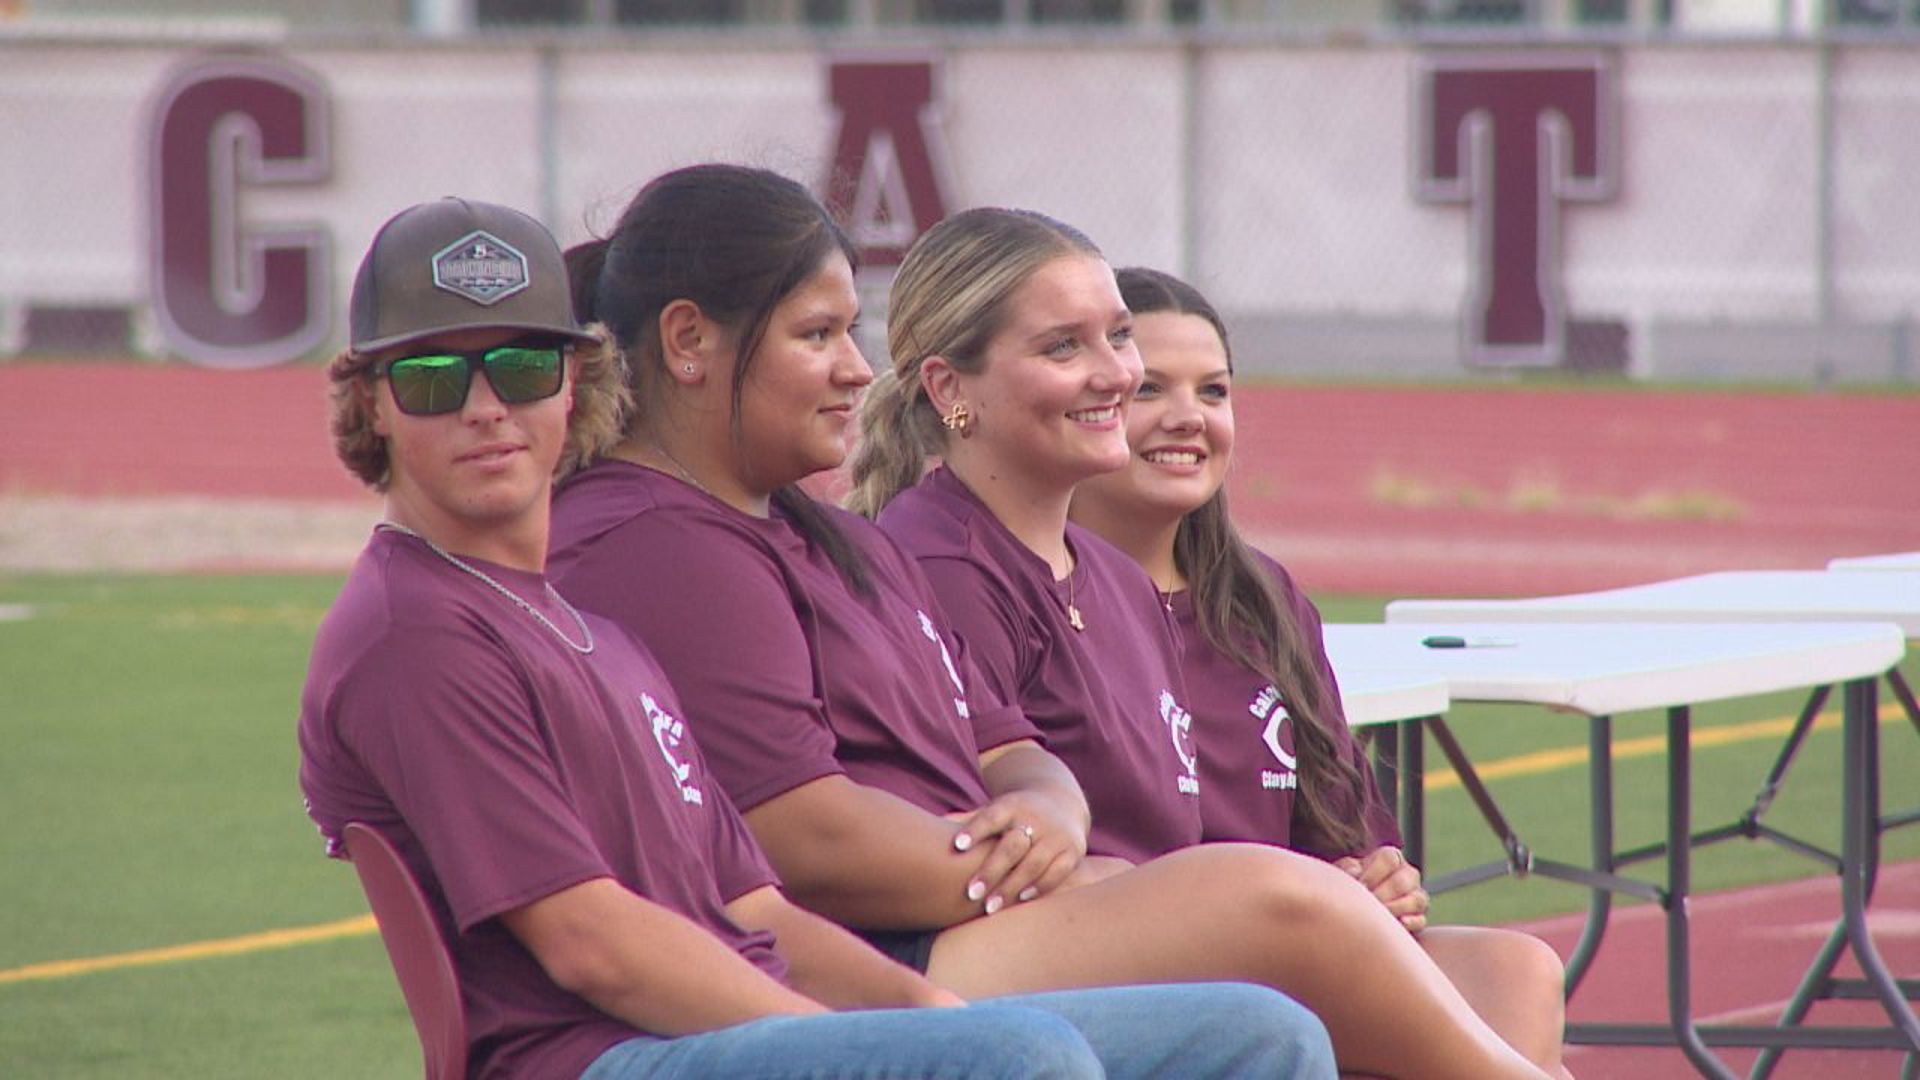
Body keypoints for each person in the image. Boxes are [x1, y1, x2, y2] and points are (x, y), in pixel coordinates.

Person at [297, 196, 1337, 1080]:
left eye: (521, 369)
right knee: (1020, 1062)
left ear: (576, 384)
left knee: (1260, 1032)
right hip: (601, 1052)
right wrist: (860, 1039)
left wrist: (921, 1018)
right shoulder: (419, 631)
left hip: (740, 1006)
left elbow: (751, 901)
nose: (487, 409)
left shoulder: (582, 625)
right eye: (434, 378)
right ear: (371, 406)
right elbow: (593, 946)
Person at [550, 164, 1549, 1080]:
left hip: (970, 906)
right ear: (688, 344)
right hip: (875, 939)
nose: (860, 369)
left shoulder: (822, 533)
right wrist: (1038, 869)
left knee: (1462, 974)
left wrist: (1052, 822)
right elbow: (799, 838)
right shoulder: (665, 543)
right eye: (819, 336)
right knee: (1284, 911)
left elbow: (1014, 754)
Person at [1067, 266, 1572, 1076]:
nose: (1188, 418)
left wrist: (1379, 878)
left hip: (1297, 960)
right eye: (1149, 390)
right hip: (1134, 967)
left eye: (1215, 391)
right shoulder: (1038, 593)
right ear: (1088, 407)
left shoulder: (1260, 601)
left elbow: (1354, 835)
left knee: (1517, 968)